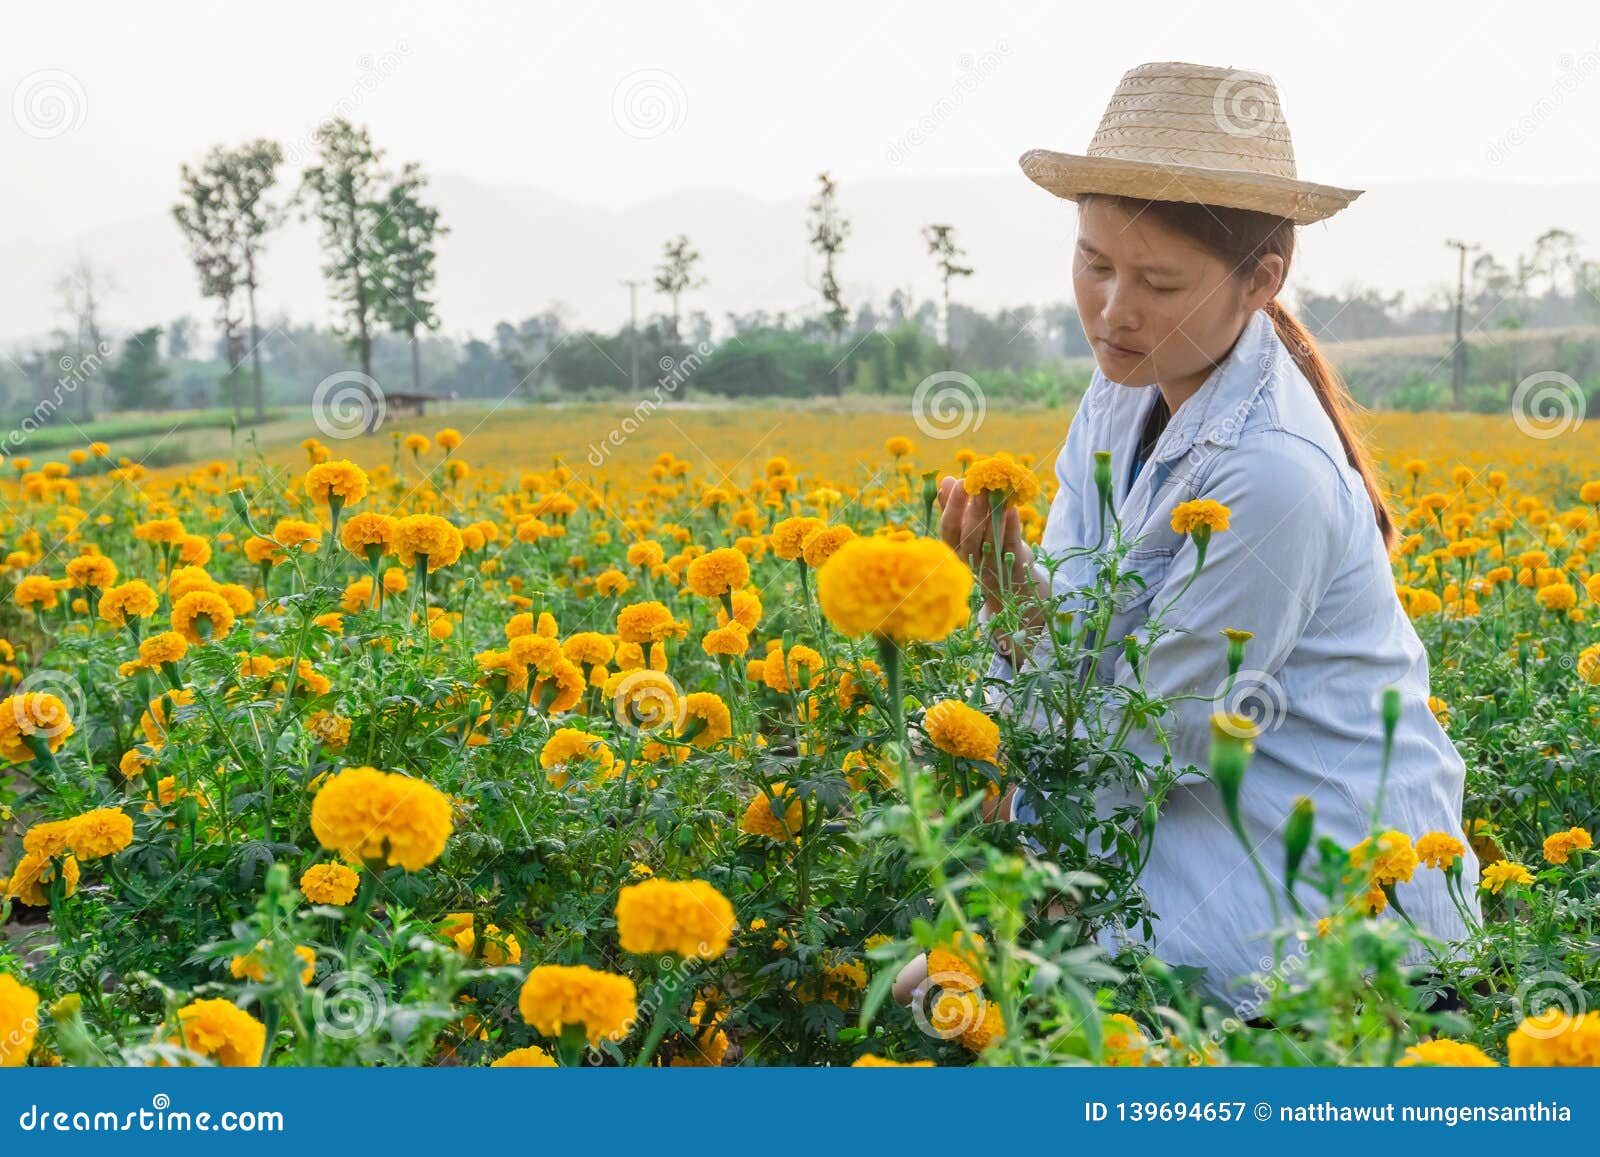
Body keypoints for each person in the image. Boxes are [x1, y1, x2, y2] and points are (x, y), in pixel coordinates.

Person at [923, 61, 1480, 1014]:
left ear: (1264, 280)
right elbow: (1075, 652)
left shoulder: (1275, 474)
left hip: (1330, 949)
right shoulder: (1120, 389)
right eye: (1094, 263)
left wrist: (999, 927)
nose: (1111, 310)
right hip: (1177, 868)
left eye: (1158, 281)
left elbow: (1149, 742)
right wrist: (1010, 598)